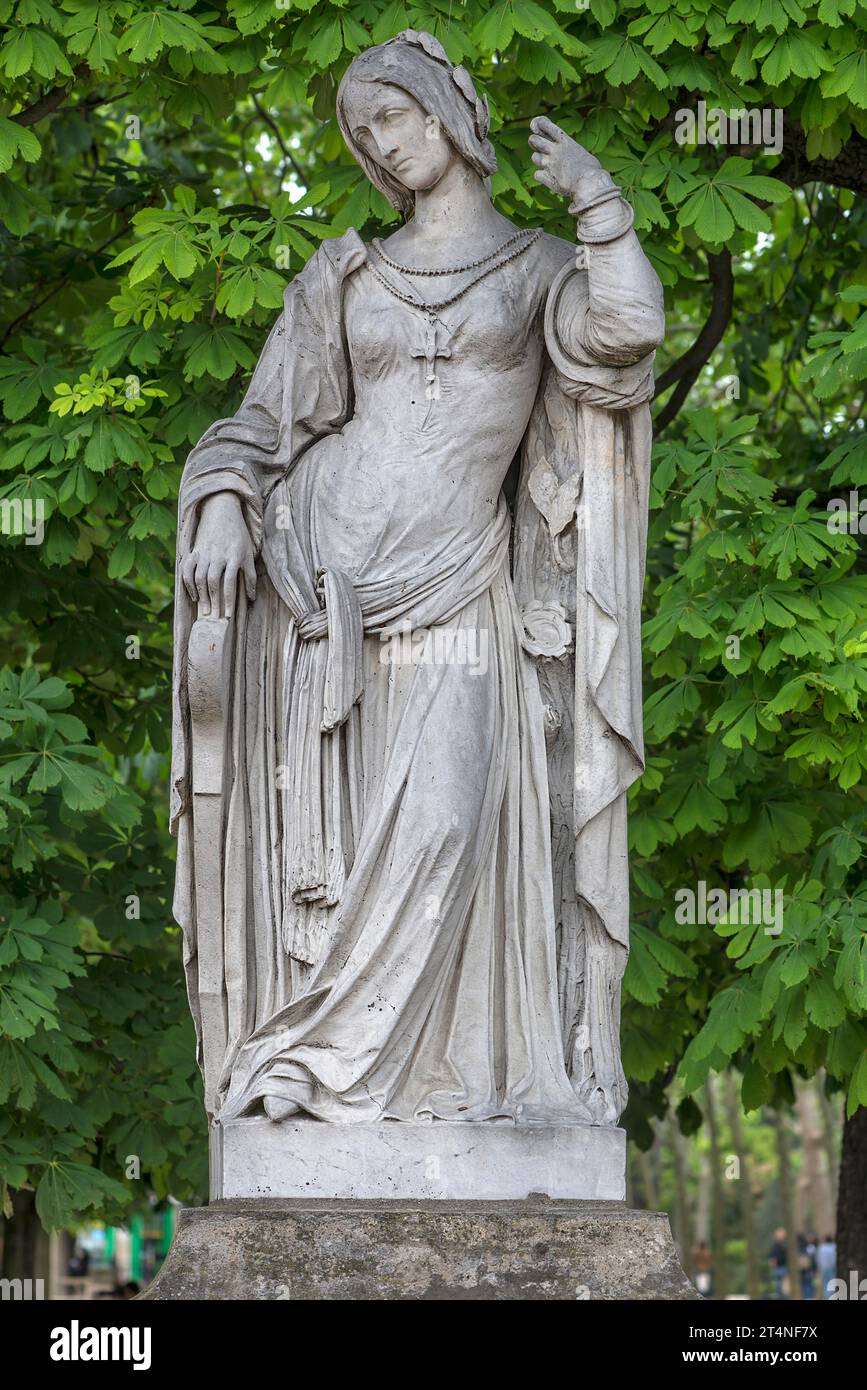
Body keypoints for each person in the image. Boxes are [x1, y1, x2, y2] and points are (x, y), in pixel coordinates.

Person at [172, 29, 664, 1126]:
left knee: (444, 818)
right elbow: (262, 419)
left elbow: (627, 335)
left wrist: (601, 205)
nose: (380, 147)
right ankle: (328, 1082)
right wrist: (218, 500)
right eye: (361, 133)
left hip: (457, 592)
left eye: (391, 116)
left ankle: (350, 1065)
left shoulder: (538, 269)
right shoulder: (344, 273)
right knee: (341, 863)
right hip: (318, 595)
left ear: (449, 111)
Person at [769, 1228, 788, 1299]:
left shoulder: (785, 1245)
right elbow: (772, 1256)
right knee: (778, 1289)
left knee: (782, 1289)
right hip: (777, 1269)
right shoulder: (776, 1245)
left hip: (783, 1268)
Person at [816, 1234, 837, 1299]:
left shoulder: (821, 1247)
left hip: (823, 1268)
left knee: (825, 1283)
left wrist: (819, 1266)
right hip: (832, 1268)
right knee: (832, 1283)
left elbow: (818, 1258)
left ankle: (827, 1297)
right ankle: (831, 1297)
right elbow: (834, 1258)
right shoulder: (834, 1247)